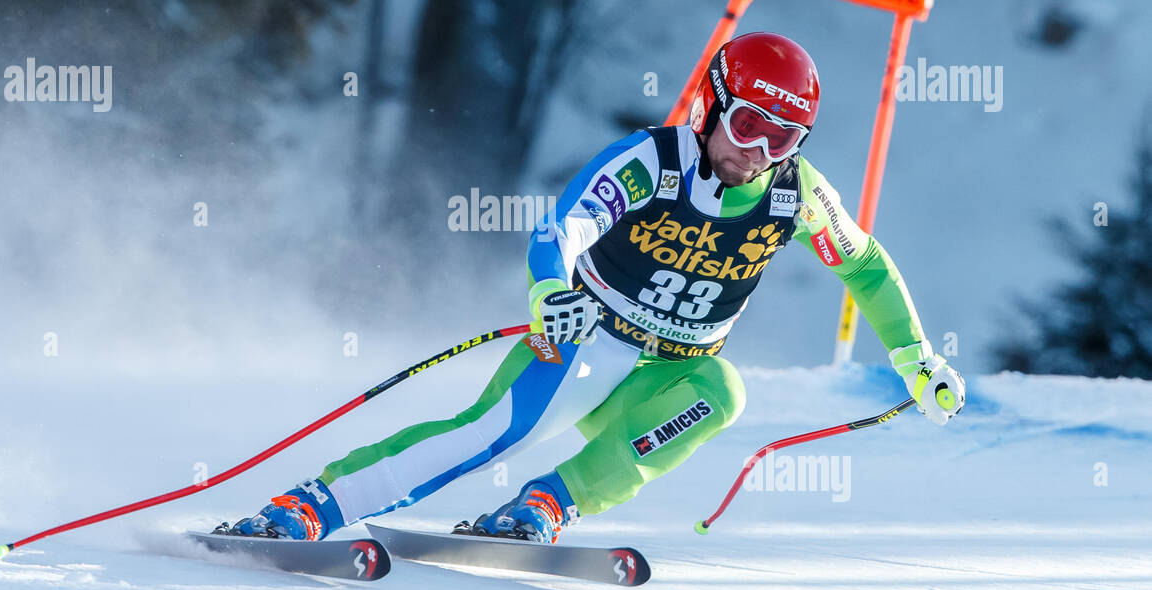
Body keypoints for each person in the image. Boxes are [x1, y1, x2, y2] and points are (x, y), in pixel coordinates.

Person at [229, 31, 966, 543]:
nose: (757, 154)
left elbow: (864, 265)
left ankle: (550, 502)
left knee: (723, 392)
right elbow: (566, 225)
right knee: (493, 433)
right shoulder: (656, 161)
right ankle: (314, 504)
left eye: (783, 139)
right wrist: (551, 293)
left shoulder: (795, 194)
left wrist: (914, 357)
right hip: (590, 343)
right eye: (747, 125)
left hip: (666, 376)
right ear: (711, 104)